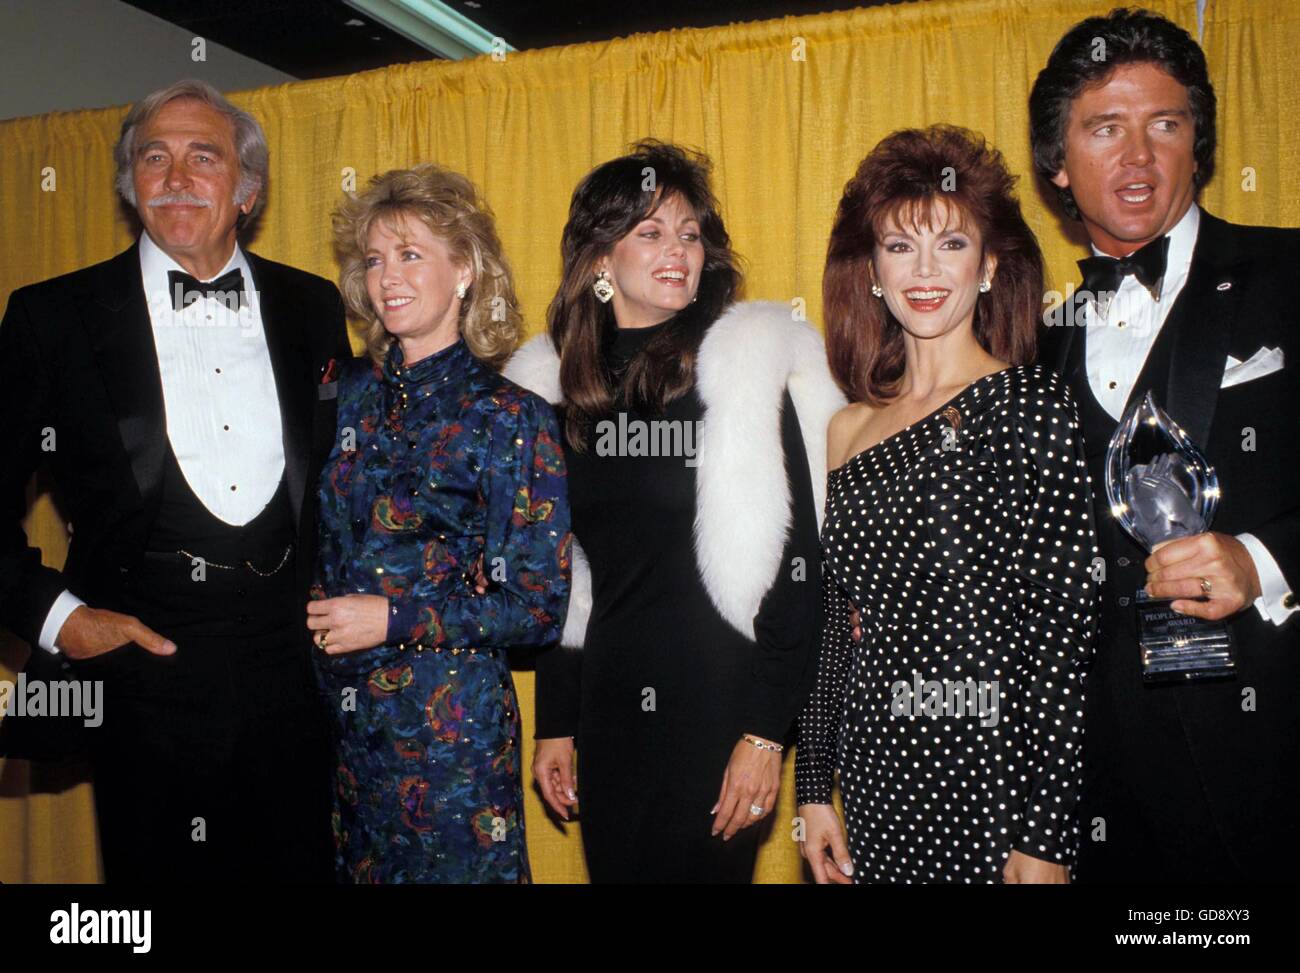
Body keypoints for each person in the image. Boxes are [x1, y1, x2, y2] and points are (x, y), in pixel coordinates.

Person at [0, 79, 348, 881]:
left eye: (204, 156)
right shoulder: (51, 317)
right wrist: (61, 619)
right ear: (131, 185)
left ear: (247, 191)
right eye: (153, 157)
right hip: (139, 678)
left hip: (293, 674)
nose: (176, 177)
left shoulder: (312, 306)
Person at [504, 140, 842, 883]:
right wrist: (558, 719)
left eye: (689, 234)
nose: (677, 251)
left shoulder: (742, 367)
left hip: (721, 701)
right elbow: (569, 576)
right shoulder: (560, 392)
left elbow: (799, 569)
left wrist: (764, 732)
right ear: (600, 259)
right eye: (651, 232)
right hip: (612, 702)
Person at [1032, 7, 1300, 882]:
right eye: (1104, 128)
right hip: (1096, 782)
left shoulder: (1290, 274)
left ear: (1200, 143)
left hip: (1268, 753)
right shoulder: (1035, 344)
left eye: (1166, 124)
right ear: (1059, 167)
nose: (1137, 156)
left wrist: (1261, 559)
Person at [795, 125, 1099, 884]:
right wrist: (814, 789)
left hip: (992, 781)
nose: (924, 271)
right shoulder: (847, 428)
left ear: (991, 263)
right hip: (874, 782)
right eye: (900, 247)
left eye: (951, 245)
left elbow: (1064, 633)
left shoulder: (1030, 405)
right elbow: (835, 626)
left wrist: (1047, 833)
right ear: (870, 270)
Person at [309, 165, 570, 883]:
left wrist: (393, 617)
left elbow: (538, 609)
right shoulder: (340, 398)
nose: (386, 276)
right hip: (345, 735)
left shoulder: (511, 416)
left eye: (411, 253)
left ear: (465, 271)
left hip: (451, 739)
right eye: (373, 259)